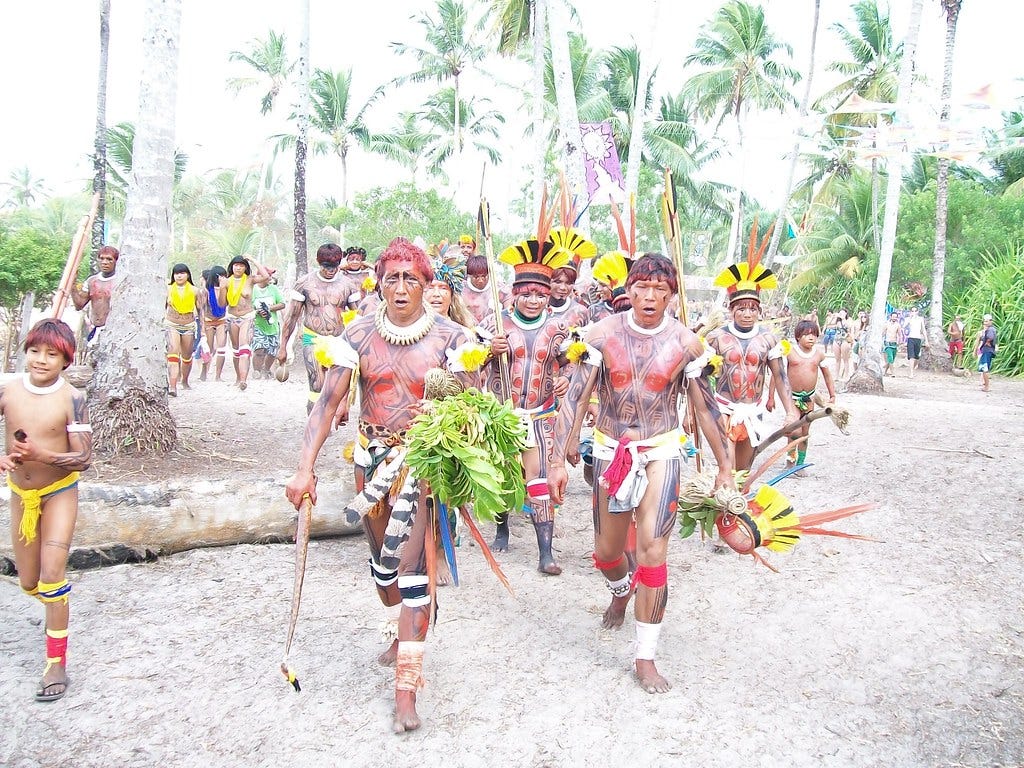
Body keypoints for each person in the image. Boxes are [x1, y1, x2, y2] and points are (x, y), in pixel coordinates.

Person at [284, 237, 481, 733]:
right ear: (377, 281)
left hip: (422, 468)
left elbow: (475, 407)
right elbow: (327, 405)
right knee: (383, 572)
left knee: (412, 572)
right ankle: (403, 621)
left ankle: (407, 690)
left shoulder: (453, 340)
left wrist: (450, 421)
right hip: (370, 462)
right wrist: (304, 467)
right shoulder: (357, 336)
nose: (399, 288)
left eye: (409, 278)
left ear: (426, 284)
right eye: (390, 277)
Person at [548, 252, 733, 694]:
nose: (649, 298)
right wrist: (557, 458)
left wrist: (726, 467)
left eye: (660, 290)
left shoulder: (688, 344)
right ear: (628, 290)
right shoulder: (601, 335)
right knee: (607, 553)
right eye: (641, 288)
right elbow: (575, 398)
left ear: (671, 295)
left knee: (653, 551)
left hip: (661, 450)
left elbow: (705, 409)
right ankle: (619, 588)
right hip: (612, 449)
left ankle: (645, 655)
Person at [484, 220, 591, 575]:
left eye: (541, 295)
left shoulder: (559, 329)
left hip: (541, 415)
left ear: (550, 297)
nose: (534, 300)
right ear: (514, 294)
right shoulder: (496, 325)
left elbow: (572, 364)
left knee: (540, 479)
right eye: (527, 293)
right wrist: (488, 351)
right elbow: (468, 368)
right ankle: (501, 527)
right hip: (502, 415)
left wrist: (563, 379)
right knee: (503, 475)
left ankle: (545, 552)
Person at [1, 319, 93, 702]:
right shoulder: (7, 391)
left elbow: (84, 459)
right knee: (29, 582)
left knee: (53, 577)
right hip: (21, 495)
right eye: (35, 351)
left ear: (65, 360)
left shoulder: (73, 399)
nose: (40, 360)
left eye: (51, 354)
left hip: (59, 493)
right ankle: (57, 605)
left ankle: (56, 663)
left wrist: (43, 455)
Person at [705, 230, 800, 471]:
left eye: (752, 309)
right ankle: (724, 504)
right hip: (724, 407)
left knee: (743, 470)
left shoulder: (768, 340)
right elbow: (699, 378)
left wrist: (790, 411)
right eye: (741, 308)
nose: (747, 314)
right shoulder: (716, 338)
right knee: (726, 467)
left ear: (759, 311)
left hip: (753, 409)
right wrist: (693, 414)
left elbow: (780, 376)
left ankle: (737, 506)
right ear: (731, 310)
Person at [277, 244, 362, 411]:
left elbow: (359, 317)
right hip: (312, 338)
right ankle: (314, 426)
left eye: (335, 266)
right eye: (326, 266)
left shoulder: (348, 285)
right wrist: (283, 347)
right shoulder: (304, 284)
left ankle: (326, 420)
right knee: (317, 385)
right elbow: (291, 317)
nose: (330, 270)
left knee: (335, 388)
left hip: (339, 341)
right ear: (318, 262)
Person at [779, 319, 835, 474]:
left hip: (809, 399)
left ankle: (800, 464)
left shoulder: (819, 355)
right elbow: (779, 375)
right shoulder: (790, 352)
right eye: (807, 335)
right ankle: (790, 462)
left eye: (814, 335)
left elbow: (827, 376)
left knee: (804, 433)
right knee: (793, 430)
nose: (811, 338)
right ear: (798, 337)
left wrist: (832, 395)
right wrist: (771, 395)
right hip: (793, 399)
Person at [70, 245, 118, 358]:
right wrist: (72, 284)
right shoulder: (92, 281)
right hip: (96, 330)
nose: (105, 262)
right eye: (102, 258)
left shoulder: (120, 281)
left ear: (116, 261)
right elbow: (79, 304)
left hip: (114, 332)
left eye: (109, 259)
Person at [165, 263, 201, 396]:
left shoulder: (195, 290)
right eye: (176, 273)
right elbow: (163, 307)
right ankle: (172, 386)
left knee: (186, 357)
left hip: (188, 326)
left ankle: (185, 381)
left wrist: (202, 329)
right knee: (173, 355)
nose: (179, 276)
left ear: (188, 275)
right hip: (171, 324)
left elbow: (200, 310)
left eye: (182, 273)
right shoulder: (168, 289)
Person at [251, 272, 285, 379]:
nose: (269, 279)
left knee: (272, 351)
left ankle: (266, 370)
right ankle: (256, 371)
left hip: (272, 325)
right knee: (259, 349)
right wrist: (257, 311)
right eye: (267, 277)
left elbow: (282, 304)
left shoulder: (273, 289)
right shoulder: (252, 290)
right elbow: (247, 306)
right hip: (257, 324)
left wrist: (269, 308)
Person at [199, 266, 228, 382]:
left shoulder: (226, 288)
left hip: (221, 320)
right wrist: (202, 327)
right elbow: (202, 309)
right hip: (209, 321)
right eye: (220, 276)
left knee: (221, 348)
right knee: (209, 349)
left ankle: (218, 376)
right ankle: (204, 371)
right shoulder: (205, 291)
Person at [905, 306, 928, 379]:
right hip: (911, 338)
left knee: (916, 356)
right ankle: (911, 372)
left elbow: (923, 330)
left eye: (915, 311)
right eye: (912, 311)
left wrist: (926, 340)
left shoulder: (920, 319)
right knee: (911, 356)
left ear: (917, 312)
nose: (914, 312)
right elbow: (904, 326)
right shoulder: (908, 319)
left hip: (918, 338)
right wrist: (910, 318)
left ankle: (914, 367)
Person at [976, 314, 998, 392]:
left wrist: (987, 342)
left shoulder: (990, 329)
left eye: (986, 321)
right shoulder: (991, 329)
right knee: (984, 368)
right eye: (984, 321)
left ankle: (987, 387)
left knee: (985, 368)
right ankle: (986, 385)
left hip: (987, 350)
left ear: (990, 321)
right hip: (988, 350)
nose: (985, 323)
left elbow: (991, 337)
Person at [883, 311, 902, 377]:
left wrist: (900, 342)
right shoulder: (886, 324)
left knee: (891, 360)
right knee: (890, 358)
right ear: (890, 317)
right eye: (893, 317)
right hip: (888, 344)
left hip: (894, 344)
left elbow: (900, 335)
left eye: (895, 317)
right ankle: (893, 373)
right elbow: (883, 333)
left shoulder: (898, 325)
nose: (894, 318)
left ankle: (884, 372)